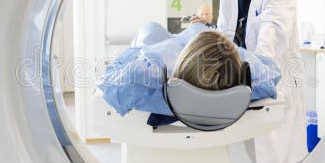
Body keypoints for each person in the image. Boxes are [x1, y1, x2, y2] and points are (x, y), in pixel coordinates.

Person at [213, 0, 307, 163]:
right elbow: (224, 34)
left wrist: (252, 70)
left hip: (271, 81)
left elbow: (273, 34)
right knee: (244, 158)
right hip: (239, 84)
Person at [99, 22, 280, 118]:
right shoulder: (248, 84)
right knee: (199, 30)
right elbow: (272, 72)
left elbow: (110, 80)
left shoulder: (153, 85)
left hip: (169, 49)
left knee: (151, 28)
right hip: (200, 43)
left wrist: (150, 62)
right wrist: (239, 57)